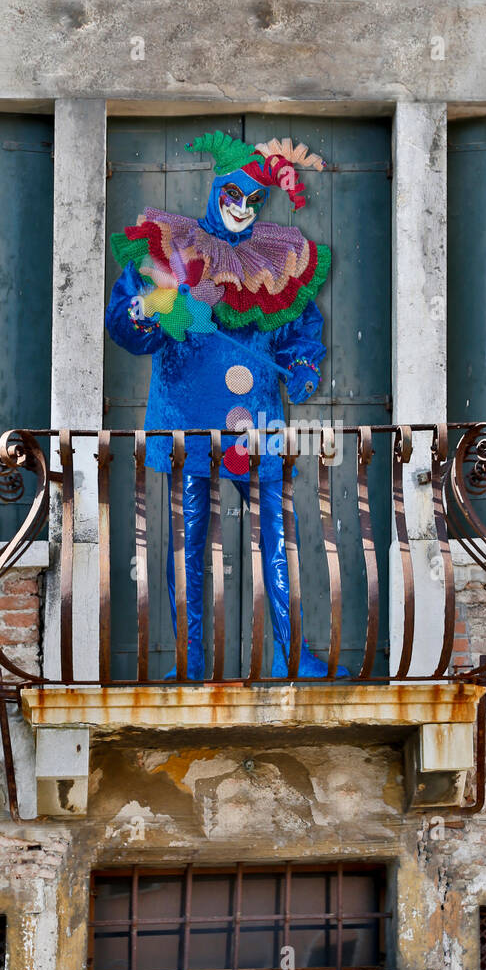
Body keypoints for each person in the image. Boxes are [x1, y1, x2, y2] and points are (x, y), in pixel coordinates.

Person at [105, 130, 348, 680]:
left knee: (276, 542)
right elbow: (127, 324)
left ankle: (293, 659)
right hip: (188, 425)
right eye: (232, 196)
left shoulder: (274, 258)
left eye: (252, 200)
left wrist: (305, 364)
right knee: (187, 548)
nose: (241, 208)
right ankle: (190, 666)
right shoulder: (170, 249)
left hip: (255, 427)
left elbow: (298, 326)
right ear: (217, 191)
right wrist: (159, 304)